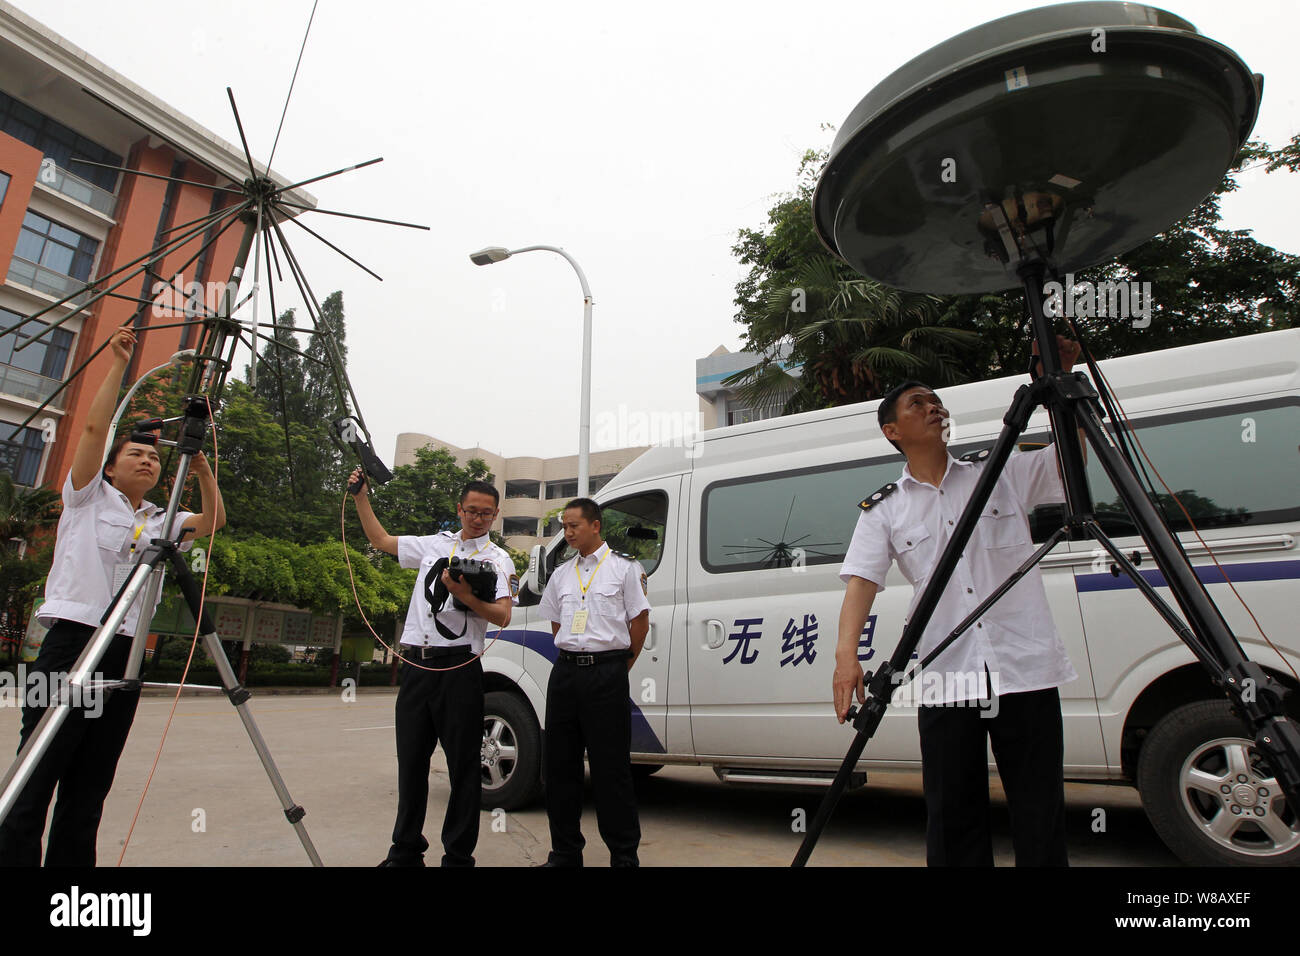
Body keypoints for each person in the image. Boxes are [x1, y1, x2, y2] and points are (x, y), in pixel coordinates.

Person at [833, 335, 1083, 867]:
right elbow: (861, 581)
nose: (933, 407)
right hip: (947, 673)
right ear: (892, 431)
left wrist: (1061, 384)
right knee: (953, 813)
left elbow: (1069, 463)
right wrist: (844, 658)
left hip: (1024, 667)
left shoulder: (1000, 472)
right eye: (916, 403)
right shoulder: (883, 510)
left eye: (936, 400)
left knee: (1040, 808)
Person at [0, 326, 225, 867]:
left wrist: (201, 471)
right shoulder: (85, 497)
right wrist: (117, 366)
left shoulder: (157, 521)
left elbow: (213, 521)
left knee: (90, 787)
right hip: (73, 646)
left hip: (124, 655)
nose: (148, 461)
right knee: (38, 773)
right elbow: (96, 426)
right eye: (136, 454)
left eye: (154, 458)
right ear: (109, 465)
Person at [350, 470, 514, 867]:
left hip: (459, 667)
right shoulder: (432, 546)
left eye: (486, 514)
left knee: (462, 767)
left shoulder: (498, 559)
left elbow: (503, 616)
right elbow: (380, 540)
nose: (477, 519)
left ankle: (458, 856)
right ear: (459, 509)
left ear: (495, 517)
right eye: (471, 510)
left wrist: (464, 595)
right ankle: (405, 851)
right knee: (411, 761)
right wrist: (360, 497)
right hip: (415, 665)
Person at [537, 497, 650, 867]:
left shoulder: (624, 569)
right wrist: (573, 656)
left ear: (595, 525)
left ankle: (623, 855)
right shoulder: (561, 574)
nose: (567, 533)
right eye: (564, 527)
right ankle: (565, 852)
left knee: (610, 769)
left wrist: (619, 666)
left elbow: (639, 622)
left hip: (607, 674)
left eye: (574, 526)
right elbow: (556, 623)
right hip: (566, 675)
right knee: (560, 767)